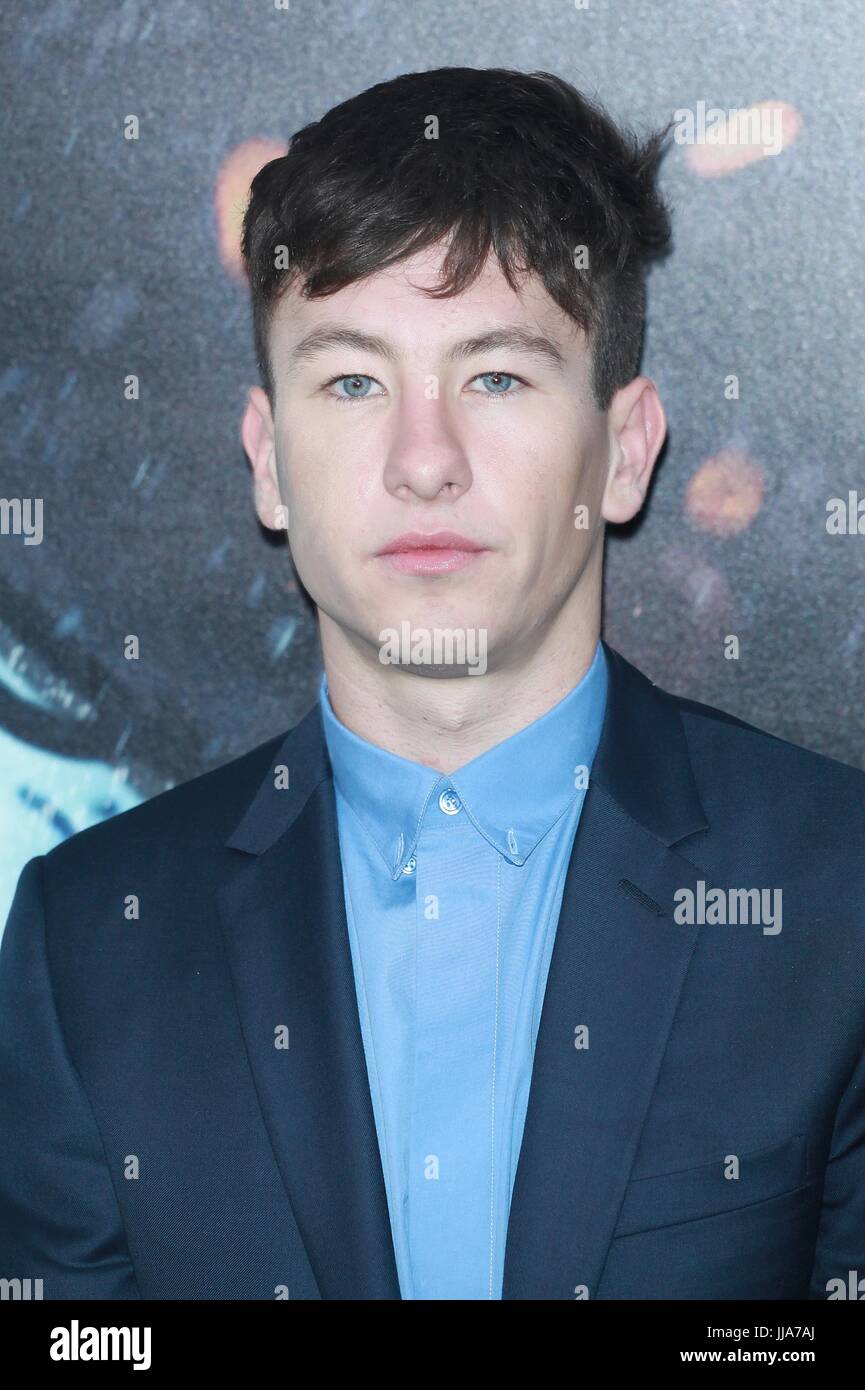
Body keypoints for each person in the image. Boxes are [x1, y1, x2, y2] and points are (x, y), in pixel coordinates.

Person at [1, 67, 863, 1301]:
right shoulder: (87, 938)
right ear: (269, 462)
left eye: (497, 377)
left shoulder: (838, 896)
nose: (424, 461)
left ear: (622, 452)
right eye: (353, 381)